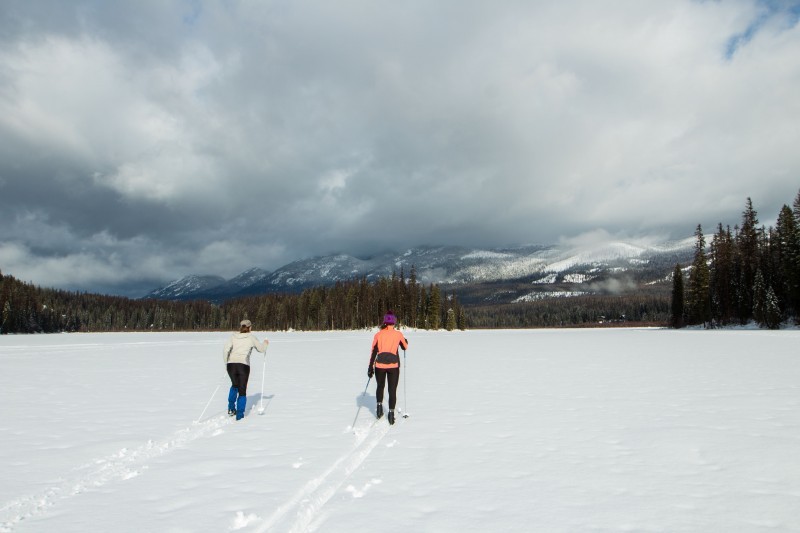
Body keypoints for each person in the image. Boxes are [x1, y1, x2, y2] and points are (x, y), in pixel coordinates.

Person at [368, 311, 408, 425]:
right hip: (393, 366)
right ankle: (391, 414)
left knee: (380, 387)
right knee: (392, 390)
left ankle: (379, 408)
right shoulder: (398, 334)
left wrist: (370, 367)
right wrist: (406, 342)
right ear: (394, 322)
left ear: (385, 322)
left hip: (379, 366)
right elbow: (404, 347)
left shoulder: (378, 335)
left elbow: (373, 352)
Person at [223, 319, 269, 420]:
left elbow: (226, 350)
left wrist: (227, 363)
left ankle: (231, 409)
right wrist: (265, 343)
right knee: (242, 390)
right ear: (250, 327)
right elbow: (261, 349)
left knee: (234, 386)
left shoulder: (233, 336)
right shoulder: (251, 338)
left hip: (231, 365)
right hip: (243, 366)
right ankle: (240, 415)